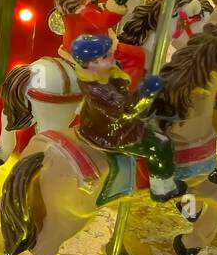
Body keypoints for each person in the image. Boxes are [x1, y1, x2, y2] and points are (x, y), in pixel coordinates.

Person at [70, 33, 176, 201]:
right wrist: (146, 93)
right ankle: (162, 189)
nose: (111, 56)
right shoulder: (99, 90)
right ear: (90, 65)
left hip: (100, 123)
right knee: (160, 144)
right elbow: (127, 111)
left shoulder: (104, 75)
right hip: (111, 133)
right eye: (104, 56)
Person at [54, 0, 144, 88]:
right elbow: (102, 21)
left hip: (82, 44)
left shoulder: (77, 8)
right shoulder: (80, 12)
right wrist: (115, 4)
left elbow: (96, 14)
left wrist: (105, 6)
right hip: (90, 48)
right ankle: (126, 90)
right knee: (136, 55)